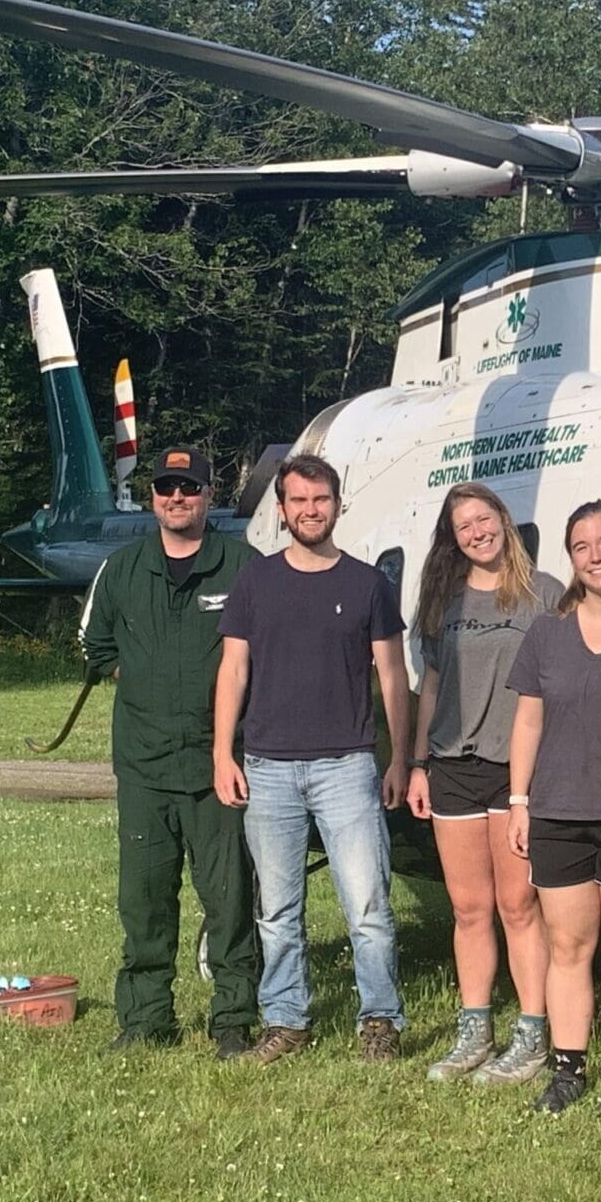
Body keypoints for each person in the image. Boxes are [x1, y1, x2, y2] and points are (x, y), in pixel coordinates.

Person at [212, 453, 414, 1064]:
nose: (309, 510)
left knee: (369, 908)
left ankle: (379, 1021)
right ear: (282, 509)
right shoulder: (255, 583)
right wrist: (224, 753)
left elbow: (392, 675)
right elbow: (233, 670)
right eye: (297, 501)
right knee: (276, 911)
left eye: (320, 500)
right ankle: (286, 1021)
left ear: (337, 504)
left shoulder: (366, 584)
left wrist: (400, 758)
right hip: (268, 768)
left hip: (347, 768)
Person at [77, 444, 261, 1056]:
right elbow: (94, 646)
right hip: (145, 765)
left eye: (188, 488)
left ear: (210, 495)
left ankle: (233, 1018)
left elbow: (275, 650)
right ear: (151, 496)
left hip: (220, 765)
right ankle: (145, 1018)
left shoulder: (244, 566)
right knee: (145, 899)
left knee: (229, 898)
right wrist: (140, 681)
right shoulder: (122, 570)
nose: (176, 498)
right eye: (165, 488)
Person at [506, 502, 601, 1114]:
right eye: (581, 546)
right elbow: (527, 720)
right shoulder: (547, 632)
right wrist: (519, 801)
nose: (595, 555)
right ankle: (567, 1068)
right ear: (569, 558)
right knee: (568, 946)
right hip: (557, 808)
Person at [407, 483, 563, 1085]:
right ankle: (474, 1031)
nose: (477, 532)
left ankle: (532, 1034)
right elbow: (432, 688)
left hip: (516, 769)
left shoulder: (545, 595)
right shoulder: (442, 599)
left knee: (518, 905)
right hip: (453, 765)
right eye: (463, 526)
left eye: (484, 518)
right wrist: (419, 763)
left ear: (505, 519)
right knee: (469, 909)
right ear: (454, 538)